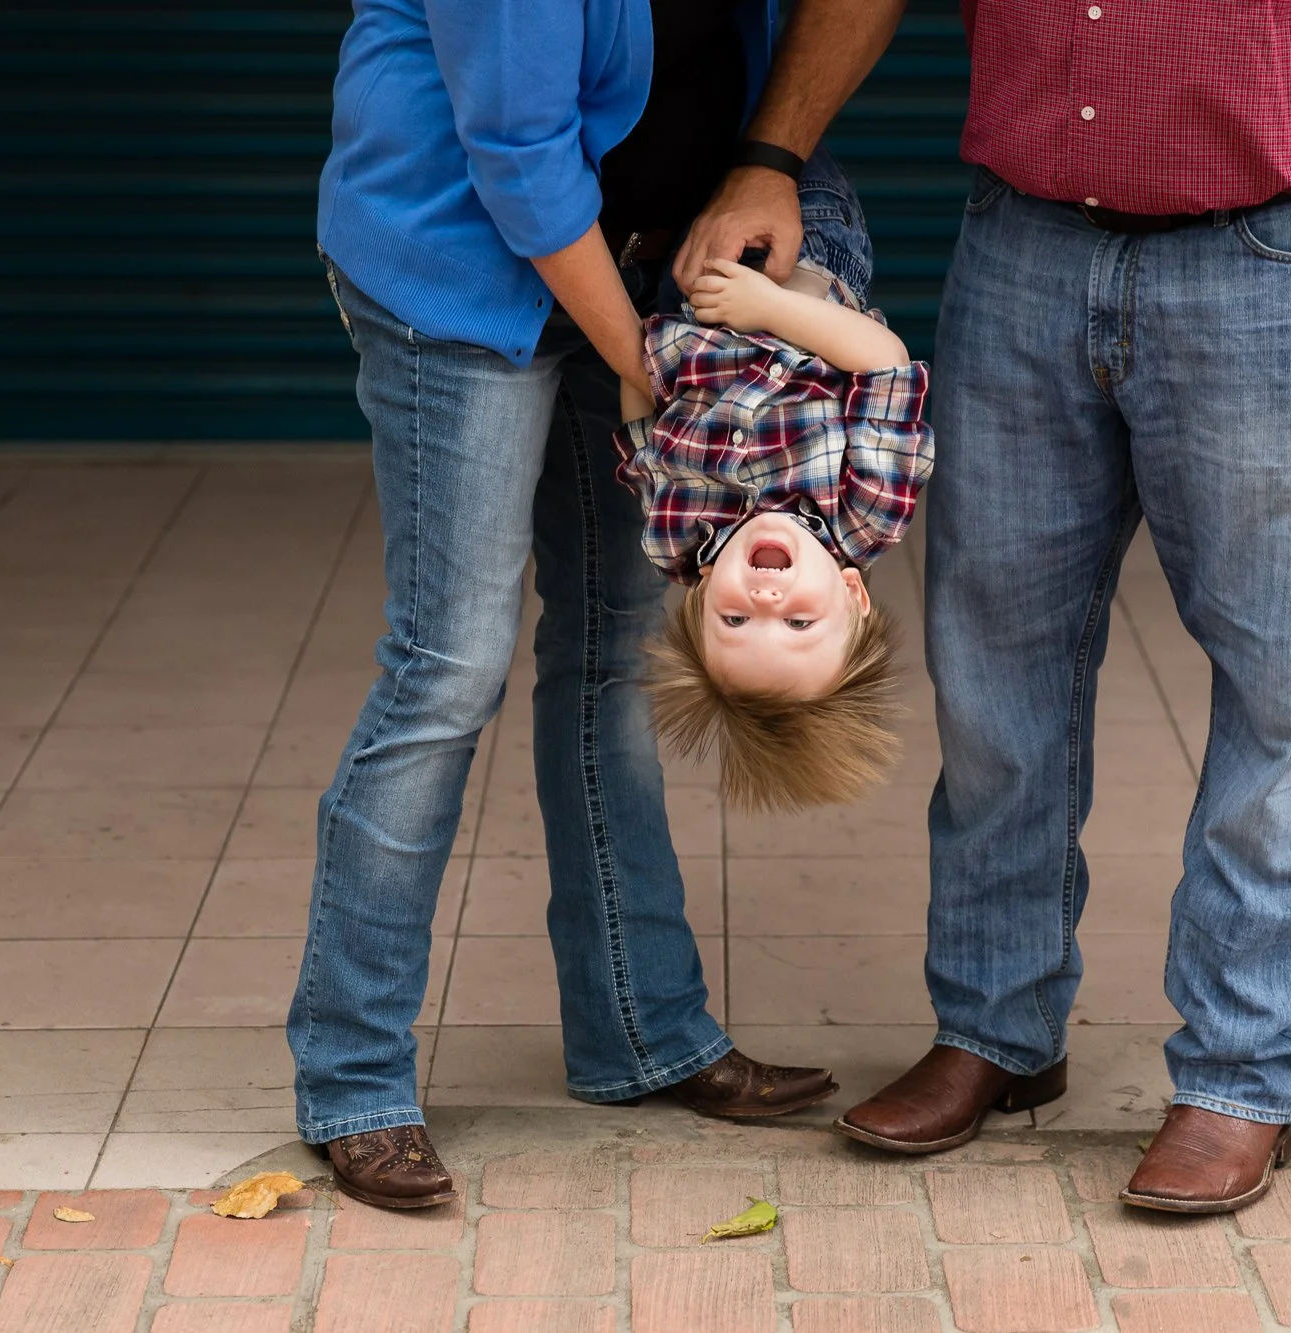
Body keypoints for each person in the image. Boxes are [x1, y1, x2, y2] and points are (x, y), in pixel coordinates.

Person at [677, 0, 1291, 1211]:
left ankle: (1236, 1074)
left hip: (1282, 253)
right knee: (992, 664)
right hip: (1026, 244)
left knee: (1282, 688)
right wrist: (770, 153)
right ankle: (995, 1027)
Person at [287, 0, 864, 1210]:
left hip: (643, 267)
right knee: (447, 664)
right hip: (460, 268)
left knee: (609, 645)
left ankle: (640, 1032)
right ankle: (354, 1078)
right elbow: (515, 150)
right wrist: (646, 368)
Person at [615, 155, 935, 813]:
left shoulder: (677, 536)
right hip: (802, 254)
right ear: (852, 595)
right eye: (797, 620)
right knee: (767, 114)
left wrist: (640, 341)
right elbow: (886, 364)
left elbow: (642, 427)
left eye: (736, 618)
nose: (765, 596)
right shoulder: (865, 513)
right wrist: (771, 305)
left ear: (702, 601)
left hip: (682, 276)